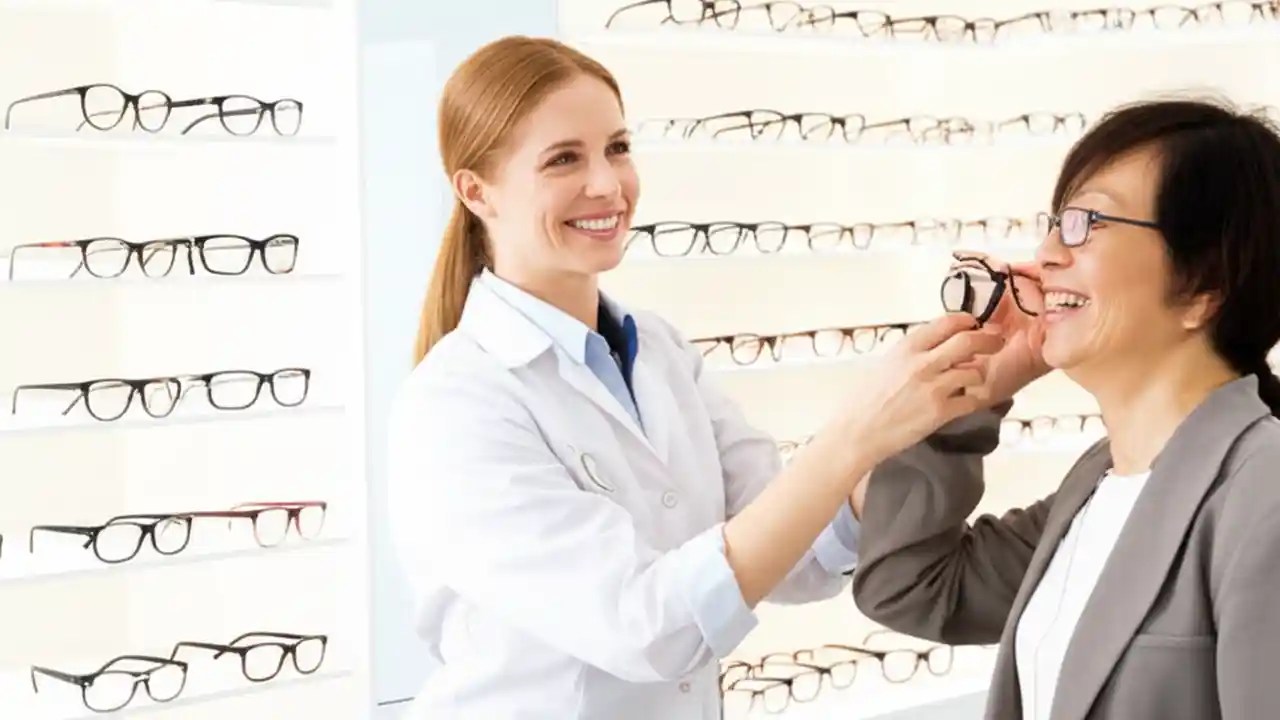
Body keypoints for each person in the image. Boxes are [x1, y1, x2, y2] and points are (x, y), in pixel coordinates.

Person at [384, 35, 1003, 720]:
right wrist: (855, 436)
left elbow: (795, 547)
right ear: (477, 191)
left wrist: (952, 387)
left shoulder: (656, 349)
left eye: (618, 148)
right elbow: (650, 628)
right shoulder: (456, 406)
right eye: (565, 159)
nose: (607, 184)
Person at [848, 97, 1280, 720]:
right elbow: (912, 587)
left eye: (1085, 224)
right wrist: (977, 389)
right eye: (1055, 224)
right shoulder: (1095, 486)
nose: (1047, 255)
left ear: (1203, 287)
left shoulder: (1262, 493)